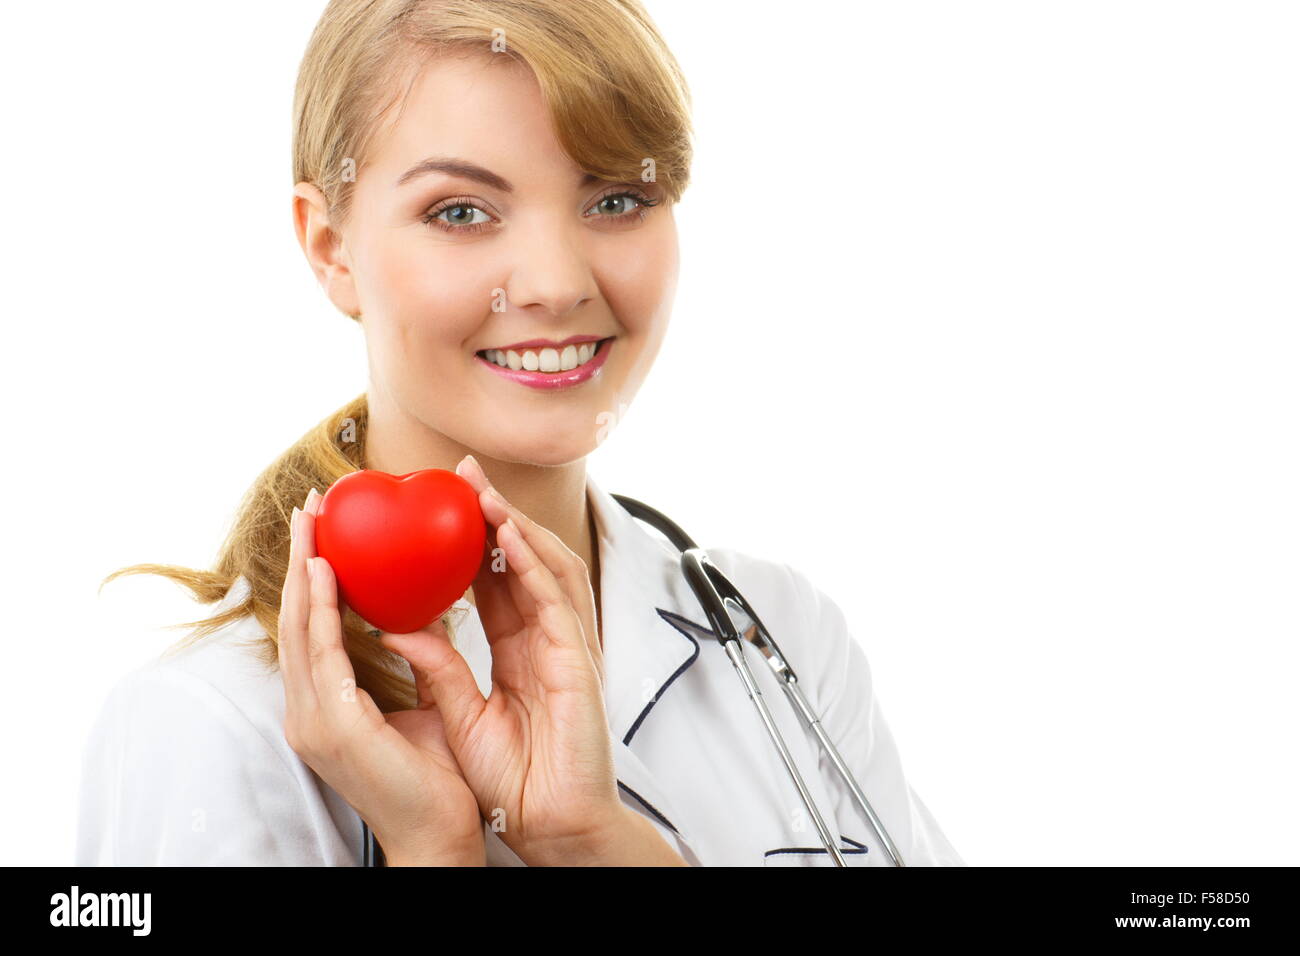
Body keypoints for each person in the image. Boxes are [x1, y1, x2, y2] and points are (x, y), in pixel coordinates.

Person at [76, 0, 964, 866]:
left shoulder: (777, 632)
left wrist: (591, 847)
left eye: (617, 198)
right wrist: (434, 850)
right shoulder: (208, 722)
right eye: (461, 212)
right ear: (330, 246)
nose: (554, 283)